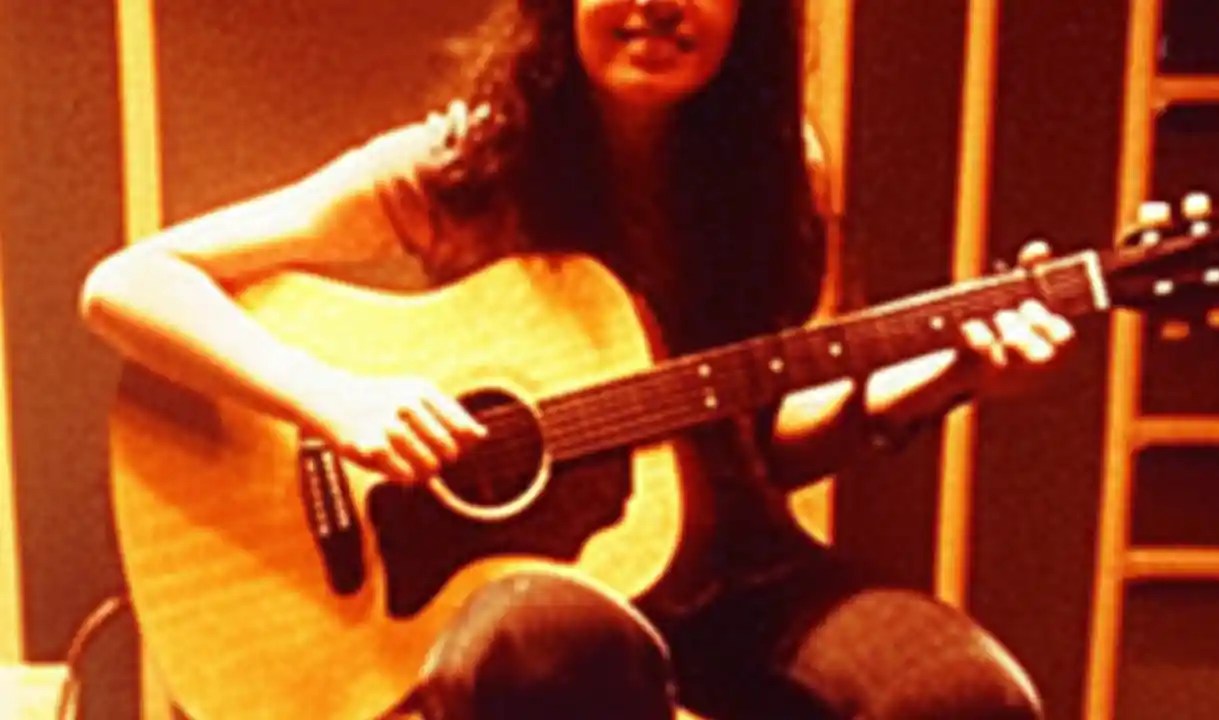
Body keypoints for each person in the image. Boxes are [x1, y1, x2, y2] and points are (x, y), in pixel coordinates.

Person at [80, 1, 1073, 718]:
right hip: (520, 595)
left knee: (965, 697)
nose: (657, 3)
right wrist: (333, 398)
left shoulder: (778, 172)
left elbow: (776, 441)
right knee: (548, 648)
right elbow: (128, 286)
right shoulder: (461, 166)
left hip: (742, 571)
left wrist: (951, 377)